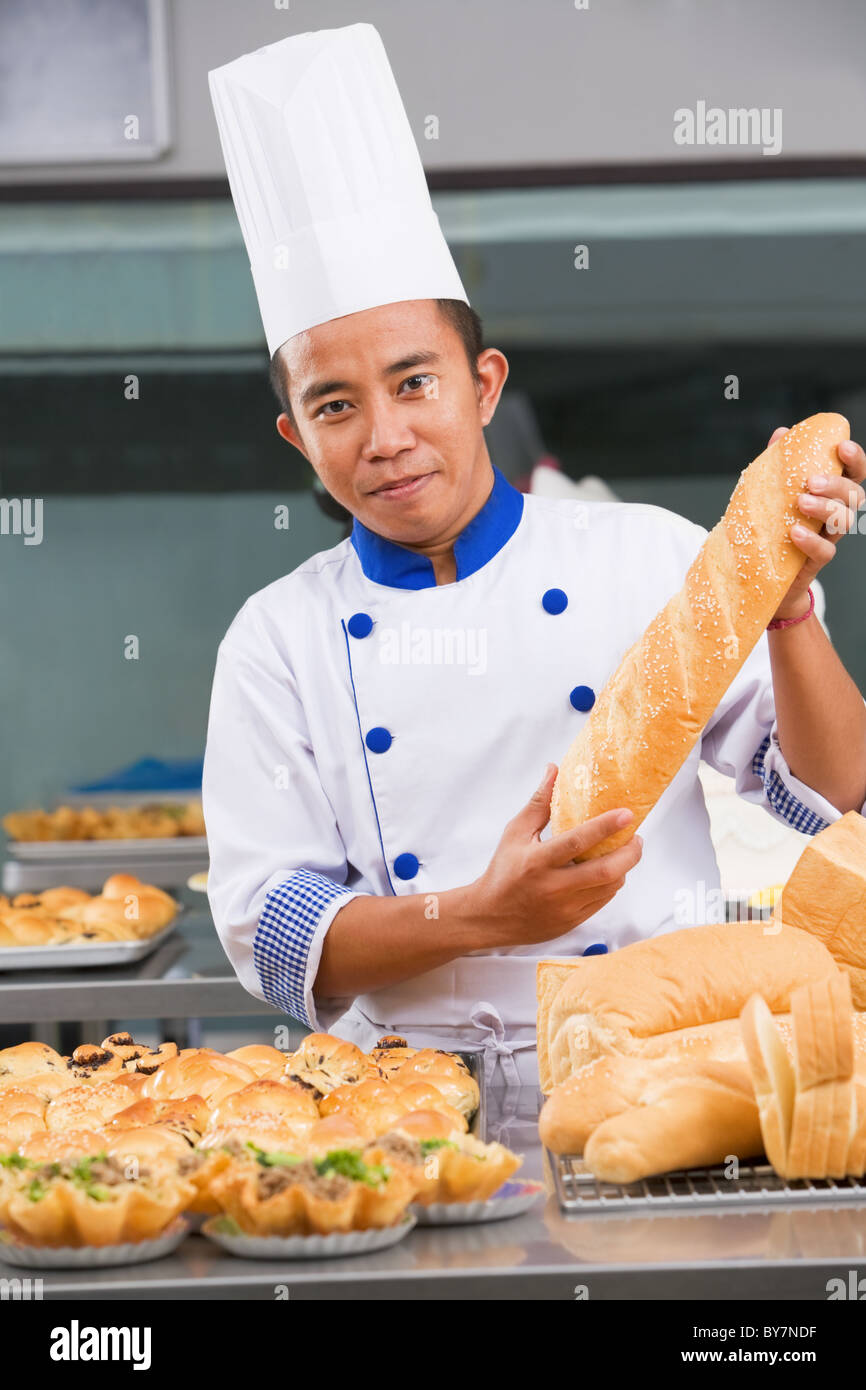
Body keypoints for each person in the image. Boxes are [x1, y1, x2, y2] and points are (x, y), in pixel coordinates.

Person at [203, 23, 866, 1086]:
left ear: (483, 386)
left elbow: (835, 797)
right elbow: (274, 937)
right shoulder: (275, 641)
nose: (382, 436)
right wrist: (480, 914)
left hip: (662, 1064)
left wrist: (786, 611)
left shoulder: (652, 560)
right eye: (334, 404)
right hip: (411, 1096)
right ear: (298, 437)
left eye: (414, 382)